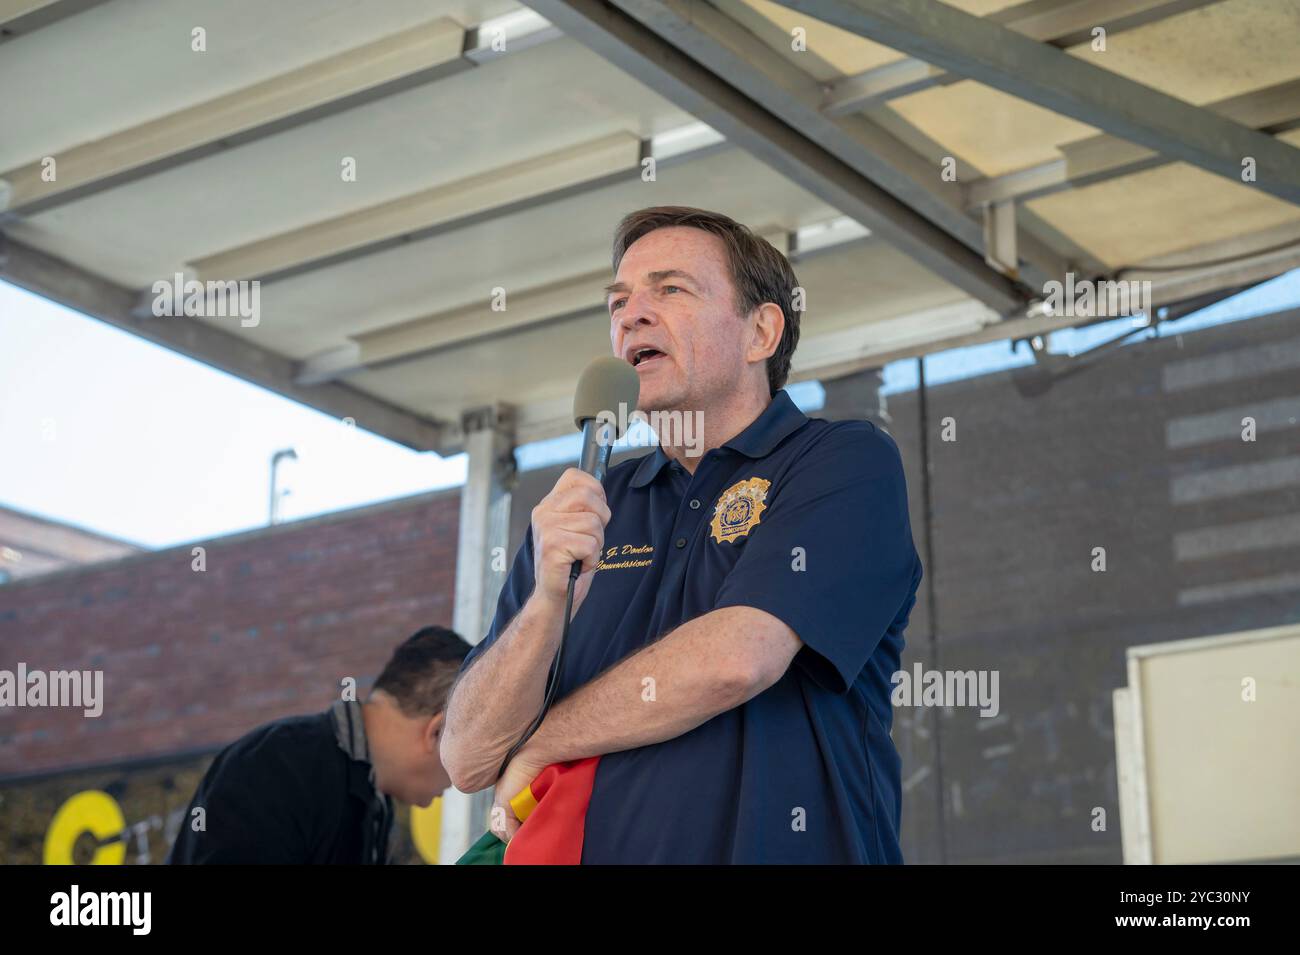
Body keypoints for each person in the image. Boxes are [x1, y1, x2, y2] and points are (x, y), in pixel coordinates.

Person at [442, 206, 923, 864]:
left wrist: (548, 740)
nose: (631, 314)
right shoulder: (582, 507)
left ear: (761, 331)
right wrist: (549, 599)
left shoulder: (840, 461)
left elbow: (737, 658)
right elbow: (466, 756)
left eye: (669, 289)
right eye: (619, 301)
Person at [168, 625, 471, 864]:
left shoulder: (371, 795)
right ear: (437, 731)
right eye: (470, 749)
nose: (462, 779)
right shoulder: (278, 765)